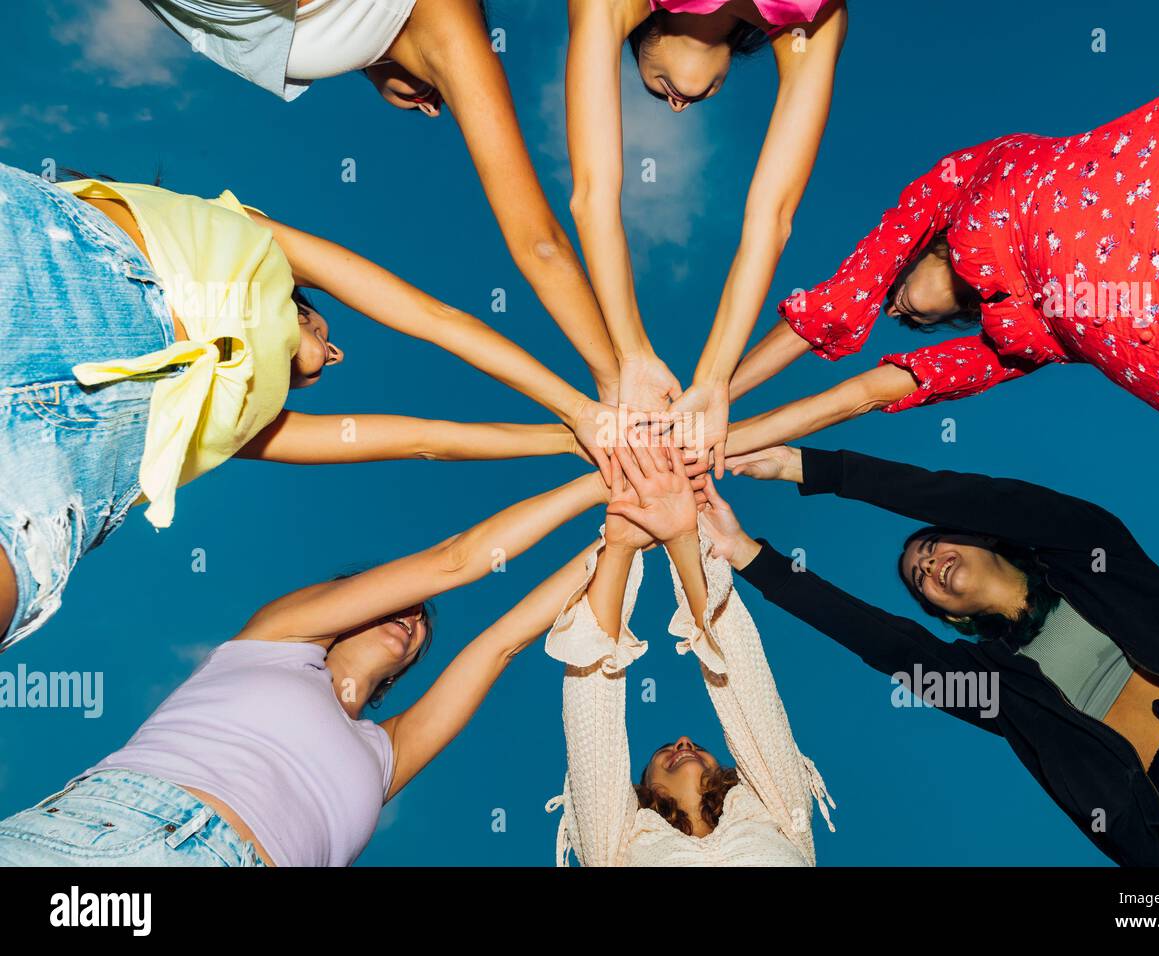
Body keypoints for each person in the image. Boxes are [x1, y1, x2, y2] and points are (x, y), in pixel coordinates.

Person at [0, 163, 613, 649]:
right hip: (60, 263)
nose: (337, 356)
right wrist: (577, 406)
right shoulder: (252, 238)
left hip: (64, 467)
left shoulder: (249, 420)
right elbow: (433, 319)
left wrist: (567, 439)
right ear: (301, 306)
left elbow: (424, 439)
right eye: (330, 334)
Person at [724, 33, 1159, 498]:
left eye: (892, 294)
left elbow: (837, 302)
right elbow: (867, 393)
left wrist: (716, 389)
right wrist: (720, 440)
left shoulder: (965, 178)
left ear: (921, 249)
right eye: (905, 319)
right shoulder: (1006, 344)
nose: (888, 304)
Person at [700, 443, 1159, 865]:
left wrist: (808, 467)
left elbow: (986, 498)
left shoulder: (1092, 555)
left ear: (983, 536)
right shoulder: (996, 689)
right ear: (952, 616)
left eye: (933, 545)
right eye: (920, 580)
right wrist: (751, 556)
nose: (930, 565)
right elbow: (884, 643)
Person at [0, 470, 611, 866]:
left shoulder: (387, 752)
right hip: (115, 835)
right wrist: (605, 481)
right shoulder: (279, 637)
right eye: (400, 604)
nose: (415, 616)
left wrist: (623, 535)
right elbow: (455, 562)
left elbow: (502, 643)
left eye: (422, 623)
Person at [135, 0, 623, 400]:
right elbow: (539, 244)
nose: (432, 109)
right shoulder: (448, 23)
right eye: (441, 98)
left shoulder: (351, 35)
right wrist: (618, 374)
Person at [564, 0, 847, 457]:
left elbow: (592, 197)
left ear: (640, 35)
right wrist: (713, 379)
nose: (677, 106)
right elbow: (771, 219)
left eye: (659, 92)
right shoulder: (812, 23)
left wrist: (634, 355)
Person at [544, 436, 833, 865]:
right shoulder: (616, 844)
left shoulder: (775, 811)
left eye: (680, 743)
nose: (682, 741)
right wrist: (619, 546)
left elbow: (749, 691)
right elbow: (592, 726)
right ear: (641, 788)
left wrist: (686, 537)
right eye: (668, 748)